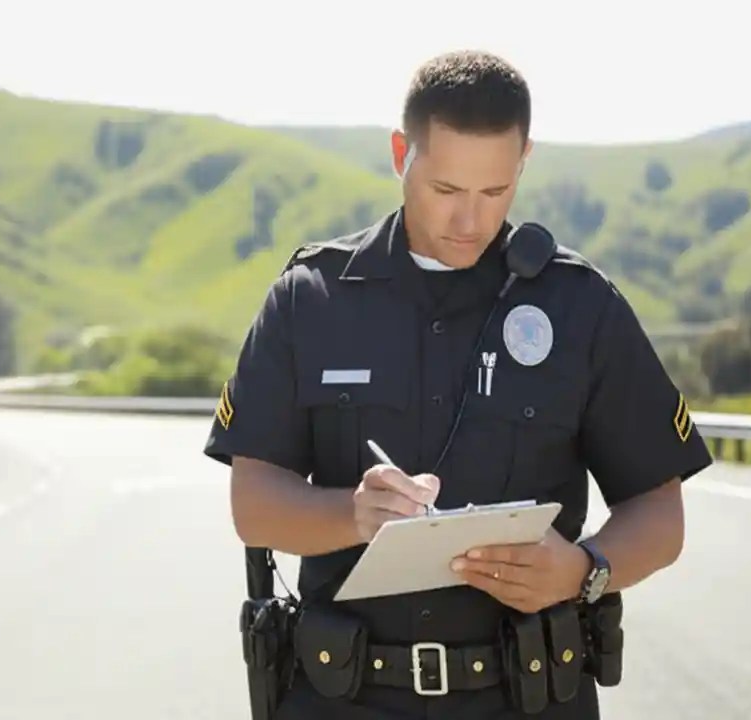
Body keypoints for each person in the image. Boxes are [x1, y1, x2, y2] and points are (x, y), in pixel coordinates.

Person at [203, 49, 714, 719]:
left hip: (529, 697)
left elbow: (659, 512)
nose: (470, 222)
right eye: (446, 191)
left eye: (495, 192)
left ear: (524, 159)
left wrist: (584, 570)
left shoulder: (580, 306)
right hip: (344, 698)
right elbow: (254, 505)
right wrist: (352, 514)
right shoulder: (310, 300)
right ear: (400, 154)